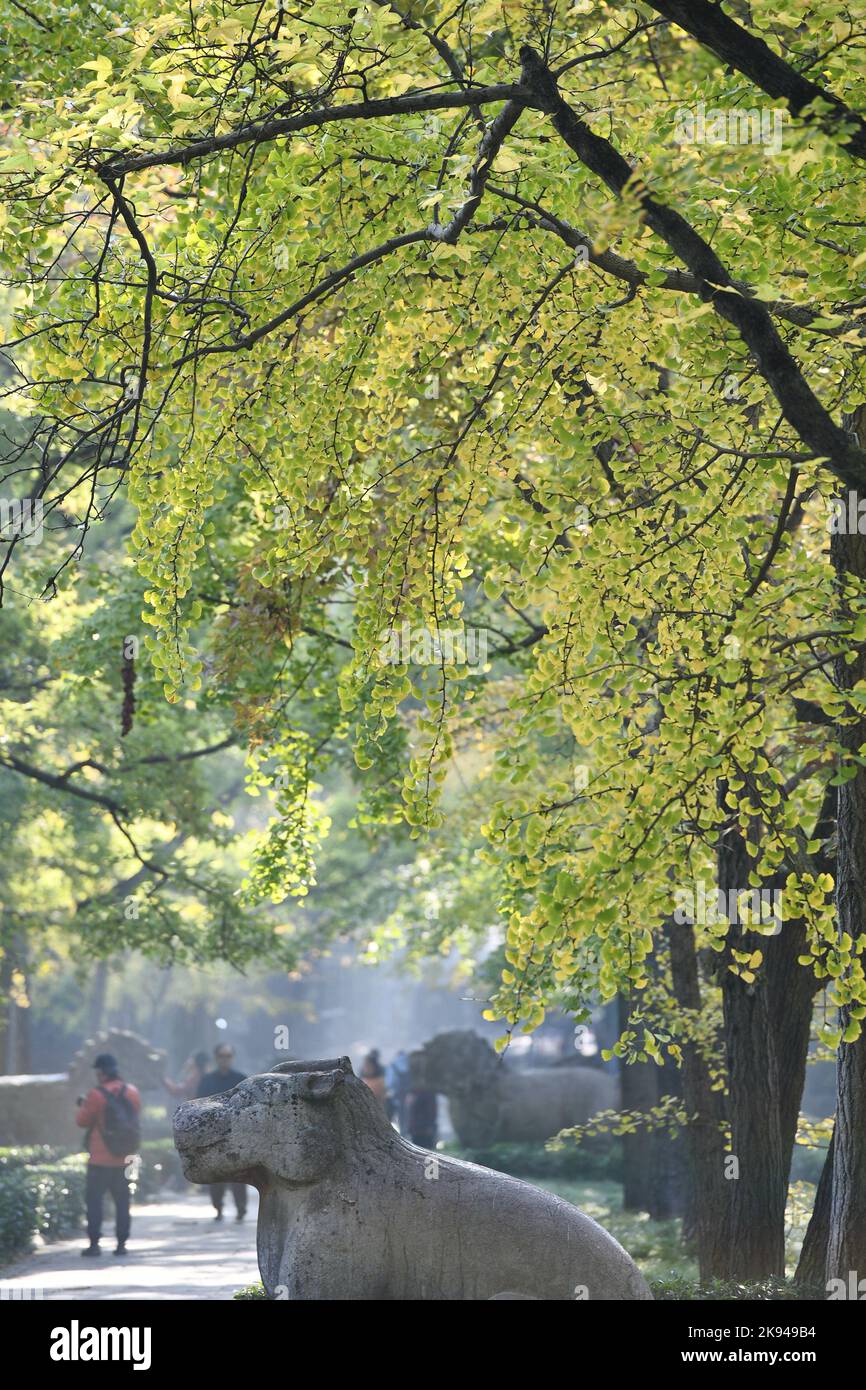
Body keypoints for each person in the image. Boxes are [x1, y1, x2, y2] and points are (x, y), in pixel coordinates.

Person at [75, 1052, 141, 1258]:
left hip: (99, 1159)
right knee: (123, 1202)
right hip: (125, 1158)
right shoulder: (132, 1092)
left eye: (97, 1072)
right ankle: (121, 1244)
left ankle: (94, 1245)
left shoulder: (95, 1095)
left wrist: (84, 1105)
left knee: (95, 1202)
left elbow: (82, 1121)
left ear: (102, 1073)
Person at [196, 1044, 247, 1221]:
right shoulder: (206, 1081)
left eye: (228, 1056)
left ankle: (241, 1208)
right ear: (216, 1058)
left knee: (239, 1175)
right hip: (213, 1135)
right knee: (216, 1175)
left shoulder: (241, 1079)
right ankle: (218, 1207)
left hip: (236, 1133)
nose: (224, 1059)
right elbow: (199, 1106)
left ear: (232, 1057)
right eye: (221, 1056)